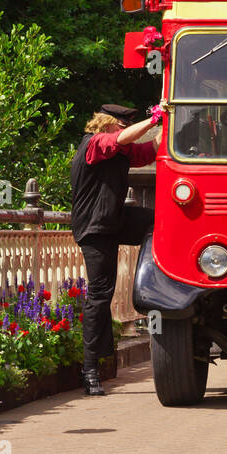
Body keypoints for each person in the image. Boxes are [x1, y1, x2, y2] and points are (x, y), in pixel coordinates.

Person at [70, 103, 161, 396]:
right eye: (122, 126)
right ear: (107, 124)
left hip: (114, 220)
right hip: (94, 229)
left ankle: (157, 277)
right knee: (100, 296)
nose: (126, 132)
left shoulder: (121, 149)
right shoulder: (94, 144)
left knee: (162, 221)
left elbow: (150, 151)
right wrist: (153, 119)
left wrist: (173, 121)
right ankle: (90, 371)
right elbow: (119, 140)